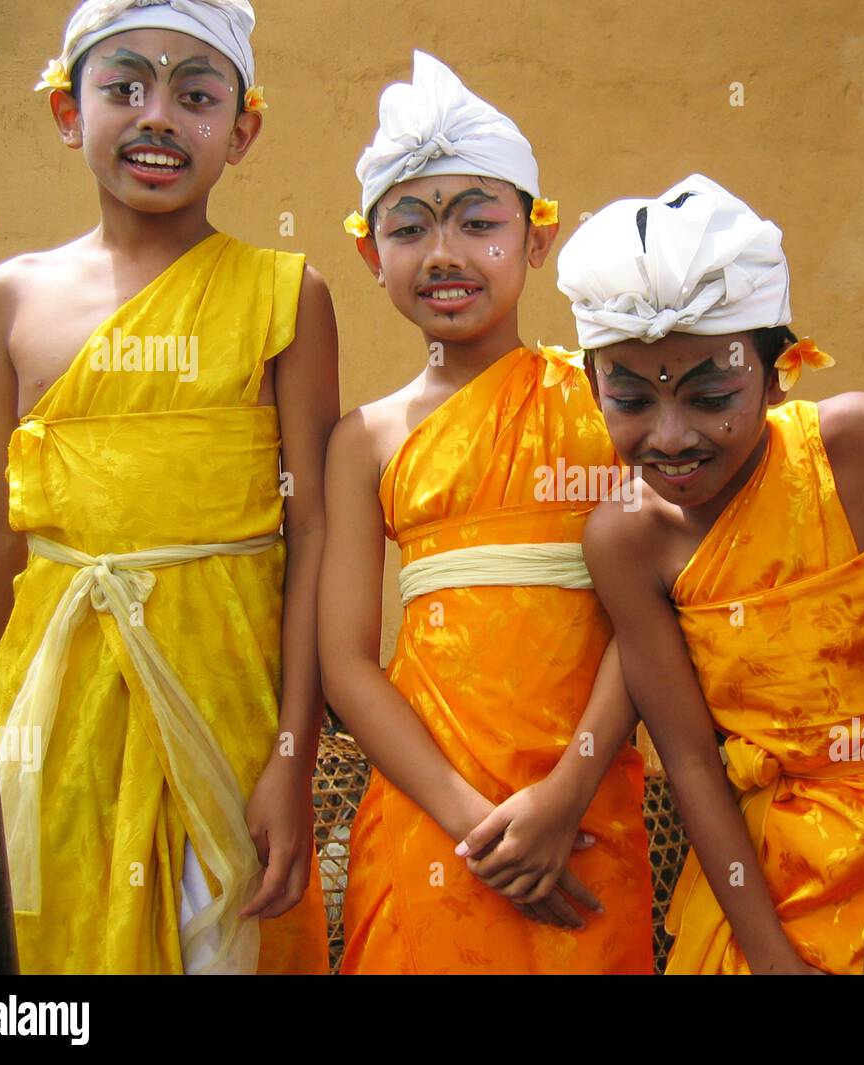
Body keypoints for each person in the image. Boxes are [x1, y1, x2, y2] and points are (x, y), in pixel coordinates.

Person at [0, 0, 337, 974]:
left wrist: (293, 760)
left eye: (196, 94)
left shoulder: (285, 294)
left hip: (226, 708)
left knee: (224, 940)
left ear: (241, 129)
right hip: (53, 711)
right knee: (57, 952)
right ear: (66, 111)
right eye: (123, 86)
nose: (158, 116)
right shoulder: (14, 295)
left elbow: (316, 532)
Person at [320, 51, 651, 975]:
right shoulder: (365, 440)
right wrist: (474, 824)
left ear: (536, 239)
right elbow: (346, 663)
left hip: (583, 810)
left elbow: (648, 611)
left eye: (479, 223)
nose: (445, 256)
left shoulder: (604, 408)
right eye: (411, 227)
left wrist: (566, 791)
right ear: (369, 251)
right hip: (430, 810)